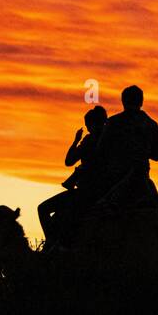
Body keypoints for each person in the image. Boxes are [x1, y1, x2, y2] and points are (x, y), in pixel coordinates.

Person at [38, 104, 108, 246]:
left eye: (89, 125)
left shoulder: (90, 141)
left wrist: (76, 141)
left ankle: (52, 244)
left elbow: (69, 161)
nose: (88, 129)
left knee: (43, 209)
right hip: (105, 191)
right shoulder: (111, 140)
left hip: (86, 193)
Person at [95, 86, 158, 208]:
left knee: (95, 208)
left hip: (114, 178)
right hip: (142, 178)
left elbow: (101, 151)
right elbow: (157, 155)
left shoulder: (113, 122)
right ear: (141, 102)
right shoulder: (152, 124)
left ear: (123, 101)